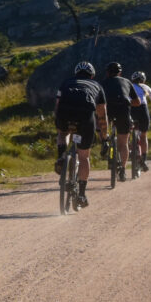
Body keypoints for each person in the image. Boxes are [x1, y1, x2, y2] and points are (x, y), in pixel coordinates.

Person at [53, 61, 107, 207]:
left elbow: (57, 105)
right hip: (85, 117)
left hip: (65, 112)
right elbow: (101, 114)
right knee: (84, 157)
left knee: (63, 133)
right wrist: (104, 136)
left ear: (76, 73)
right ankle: (81, 194)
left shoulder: (66, 83)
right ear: (92, 75)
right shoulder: (97, 86)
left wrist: (58, 122)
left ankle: (62, 156)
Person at [98, 61, 137, 181]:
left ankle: (104, 140)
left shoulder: (102, 83)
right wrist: (127, 102)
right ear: (120, 72)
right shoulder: (127, 81)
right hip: (123, 110)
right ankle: (123, 170)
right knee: (123, 142)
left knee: (100, 123)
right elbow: (137, 102)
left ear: (107, 72)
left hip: (108, 109)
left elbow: (98, 103)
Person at [128, 71, 151, 171]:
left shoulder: (128, 86)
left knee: (128, 134)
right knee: (143, 135)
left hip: (131, 109)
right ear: (143, 80)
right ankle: (143, 159)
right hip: (142, 110)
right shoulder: (145, 87)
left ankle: (132, 150)